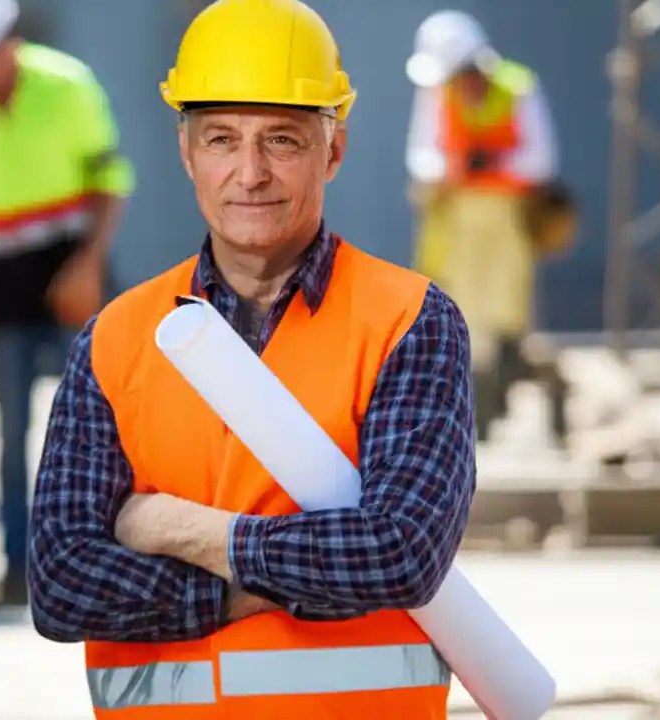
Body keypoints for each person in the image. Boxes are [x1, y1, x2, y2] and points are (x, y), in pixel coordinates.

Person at [28, 0, 475, 716]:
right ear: (186, 151)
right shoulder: (117, 337)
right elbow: (61, 583)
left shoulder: (410, 323)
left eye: (282, 141)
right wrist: (238, 590)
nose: (249, 172)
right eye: (221, 139)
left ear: (333, 149)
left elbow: (398, 552)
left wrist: (183, 531)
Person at [0, 0, 134, 609]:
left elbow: (110, 182)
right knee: (9, 430)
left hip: (72, 261)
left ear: (9, 38)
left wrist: (88, 266)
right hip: (2, 278)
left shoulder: (67, 86)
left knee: (104, 422)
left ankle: (103, 559)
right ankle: (18, 566)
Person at [404, 10, 568, 443]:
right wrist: (452, 168)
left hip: (506, 228)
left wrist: (490, 163)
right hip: (453, 228)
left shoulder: (517, 88)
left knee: (505, 323)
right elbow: (422, 157)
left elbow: (541, 161)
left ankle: (517, 402)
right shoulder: (437, 95)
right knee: (455, 321)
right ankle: (469, 420)